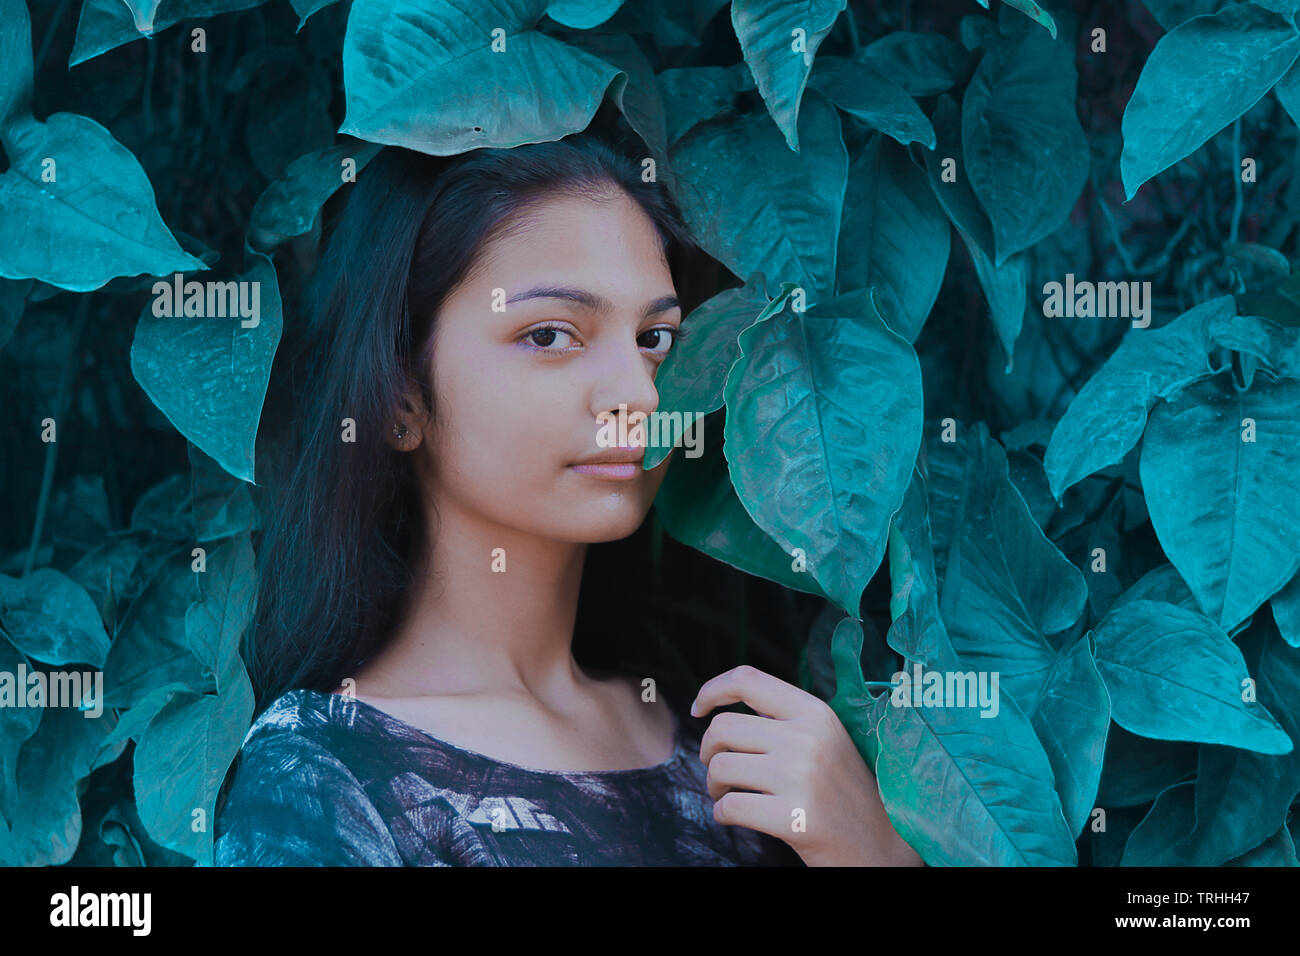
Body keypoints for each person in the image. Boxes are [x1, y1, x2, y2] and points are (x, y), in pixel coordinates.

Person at [212, 130, 922, 866]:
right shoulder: (323, 780)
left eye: (655, 338)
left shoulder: (723, 753)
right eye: (550, 334)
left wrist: (875, 854)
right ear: (399, 398)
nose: (638, 394)